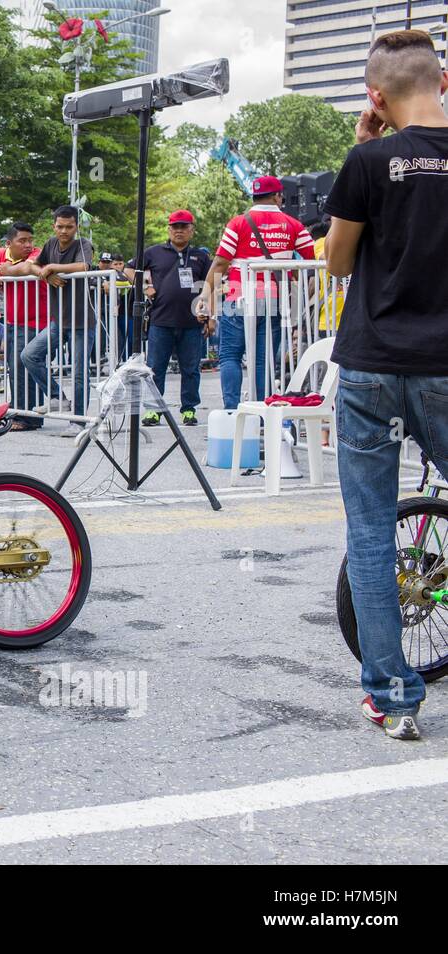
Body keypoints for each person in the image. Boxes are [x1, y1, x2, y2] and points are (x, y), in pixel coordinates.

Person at [323, 28, 448, 741]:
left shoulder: (368, 159)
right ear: (444, 80)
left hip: (372, 366)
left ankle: (394, 698)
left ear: (375, 96)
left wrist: (368, 144)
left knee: (371, 531)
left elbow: (337, 264)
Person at [201, 175, 316, 409]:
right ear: (276, 196)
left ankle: (233, 412)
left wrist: (204, 295)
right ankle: (264, 413)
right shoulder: (293, 225)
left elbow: (221, 263)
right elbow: (310, 260)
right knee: (264, 361)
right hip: (275, 300)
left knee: (230, 356)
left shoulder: (237, 223)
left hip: (239, 298)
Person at [125, 210, 214, 427]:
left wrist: (211, 316)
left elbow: (212, 285)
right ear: (169, 229)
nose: (179, 231)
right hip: (160, 321)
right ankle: (154, 410)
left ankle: (189, 409)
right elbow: (128, 269)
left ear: (192, 230)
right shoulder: (154, 252)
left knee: (191, 368)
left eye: (184, 227)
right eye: (175, 227)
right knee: (155, 367)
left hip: (192, 323)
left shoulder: (201, 257)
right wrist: (145, 286)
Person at [19, 206, 97, 434]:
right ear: (54, 225)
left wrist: (52, 267)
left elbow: (84, 266)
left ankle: (78, 422)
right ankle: (56, 397)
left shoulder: (82, 244)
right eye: (60, 226)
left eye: (69, 226)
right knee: (29, 355)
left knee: (79, 373)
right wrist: (44, 271)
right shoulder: (50, 243)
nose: (64, 231)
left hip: (82, 321)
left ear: (76, 226)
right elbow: (32, 265)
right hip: (58, 320)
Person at [0, 223, 47, 430]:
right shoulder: (0, 253)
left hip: (36, 321)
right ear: (9, 243)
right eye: (22, 240)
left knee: (23, 366)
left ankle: (27, 416)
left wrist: (7, 271)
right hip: (12, 321)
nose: (28, 244)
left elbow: (27, 268)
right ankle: (24, 413)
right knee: (15, 367)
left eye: (29, 240)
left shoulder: (37, 253)